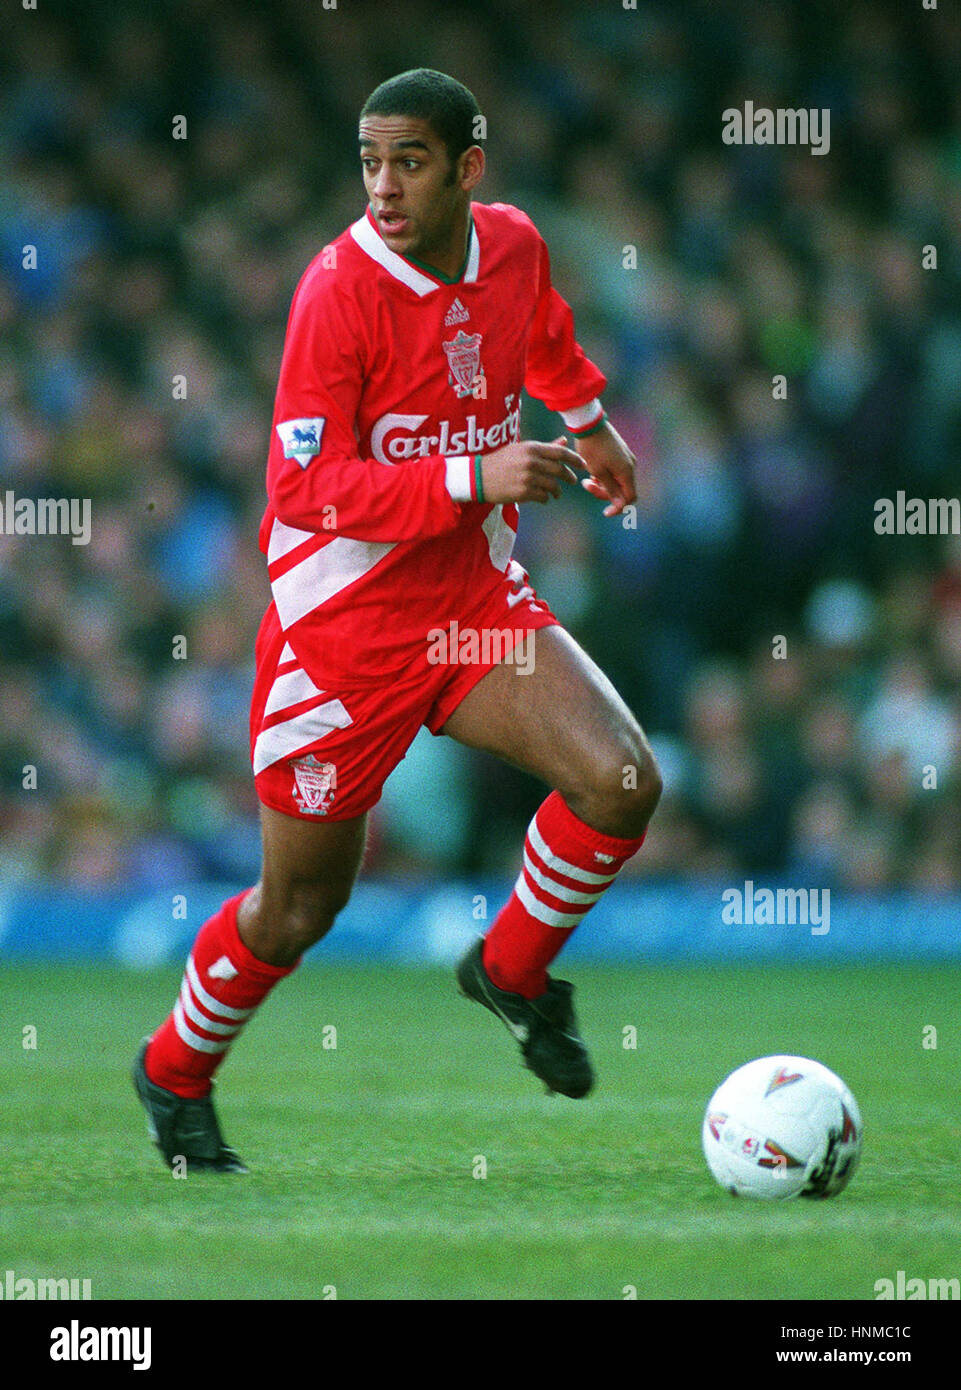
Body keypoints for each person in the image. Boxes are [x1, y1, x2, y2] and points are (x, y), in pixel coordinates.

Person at [134, 68, 661, 1172]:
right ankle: (173, 1071)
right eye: (370, 161)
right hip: (345, 640)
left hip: (468, 603)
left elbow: (540, 331)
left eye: (408, 161)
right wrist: (478, 474)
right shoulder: (336, 289)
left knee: (620, 780)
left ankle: (511, 971)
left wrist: (590, 420)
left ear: (468, 169)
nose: (382, 186)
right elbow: (305, 491)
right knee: (297, 911)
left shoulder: (511, 244)